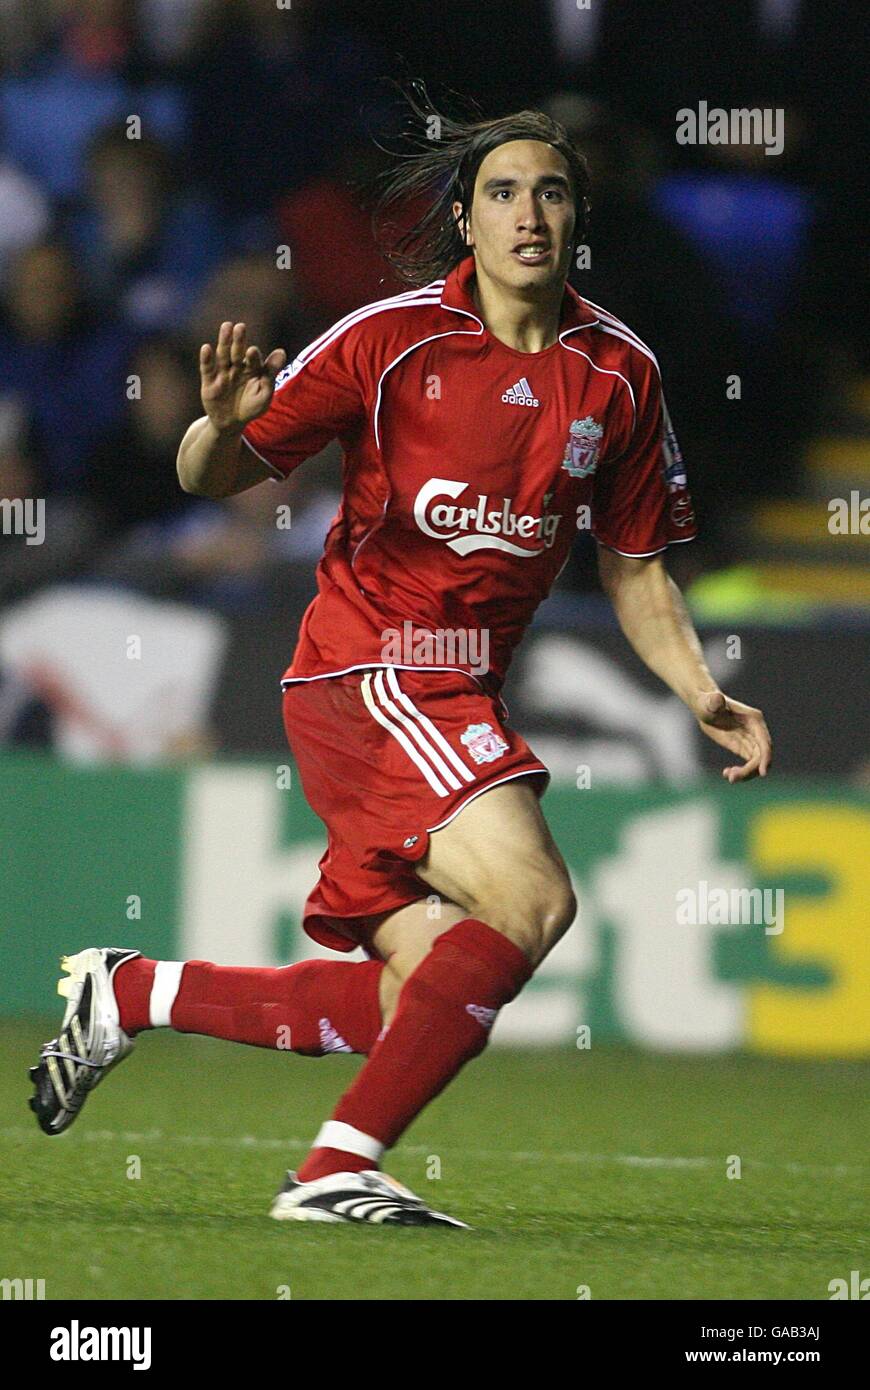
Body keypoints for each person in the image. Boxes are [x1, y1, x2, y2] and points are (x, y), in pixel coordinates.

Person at [29, 97, 772, 1228]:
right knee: (531, 894)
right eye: (505, 193)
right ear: (466, 221)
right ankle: (334, 1169)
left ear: (578, 217)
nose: (531, 212)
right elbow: (204, 477)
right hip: (370, 667)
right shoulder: (389, 339)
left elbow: (634, 569)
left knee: (415, 996)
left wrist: (700, 687)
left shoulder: (618, 373)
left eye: (553, 191)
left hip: (456, 689)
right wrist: (224, 427)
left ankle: (133, 992)